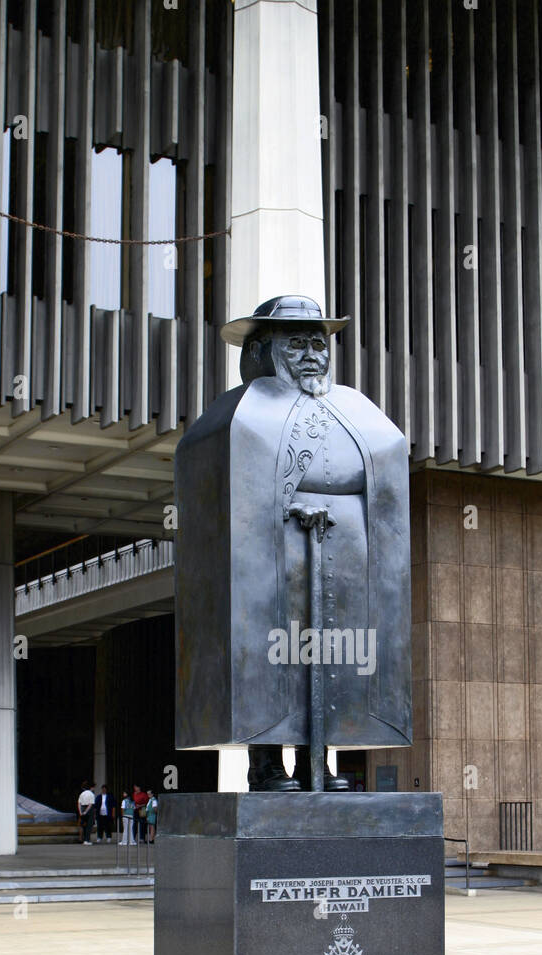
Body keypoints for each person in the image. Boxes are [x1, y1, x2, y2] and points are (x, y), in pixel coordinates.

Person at [174, 295, 411, 791]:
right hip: (274, 564)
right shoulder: (241, 411)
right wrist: (288, 513)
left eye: (318, 344)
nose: (312, 355)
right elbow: (235, 498)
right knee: (272, 659)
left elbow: (385, 465)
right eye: (297, 343)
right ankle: (264, 764)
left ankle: (315, 762)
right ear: (263, 349)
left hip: (347, 563)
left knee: (333, 661)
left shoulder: (352, 406)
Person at [77, 781, 96, 845]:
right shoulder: (91, 794)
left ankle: (84, 839)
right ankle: (87, 840)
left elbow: (79, 803)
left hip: (82, 809)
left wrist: (81, 812)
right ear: (91, 787)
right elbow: (90, 804)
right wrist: (86, 811)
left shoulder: (82, 794)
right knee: (89, 826)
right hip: (89, 811)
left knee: (83, 825)